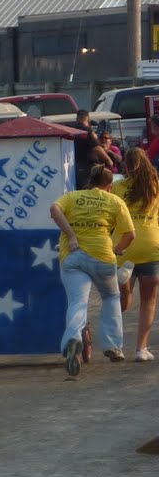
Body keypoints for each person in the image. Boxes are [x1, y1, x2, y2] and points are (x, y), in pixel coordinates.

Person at [50, 165, 134, 367]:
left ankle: (73, 338)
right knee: (111, 297)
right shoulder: (114, 200)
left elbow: (54, 209)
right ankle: (113, 346)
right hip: (103, 257)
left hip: (73, 256)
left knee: (78, 302)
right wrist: (117, 249)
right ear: (109, 185)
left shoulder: (72, 197)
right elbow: (130, 235)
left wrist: (71, 235)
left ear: (91, 180)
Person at [113, 147, 159, 363]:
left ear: (126, 165)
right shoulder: (155, 186)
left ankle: (114, 344)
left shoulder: (116, 187)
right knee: (148, 300)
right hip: (151, 246)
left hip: (123, 247)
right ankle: (141, 349)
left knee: (119, 299)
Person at [70, 110, 95, 189]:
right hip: (85, 166)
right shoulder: (87, 130)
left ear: (77, 119)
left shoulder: (71, 129)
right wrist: (108, 160)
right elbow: (96, 147)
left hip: (73, 165)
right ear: (88, 119)